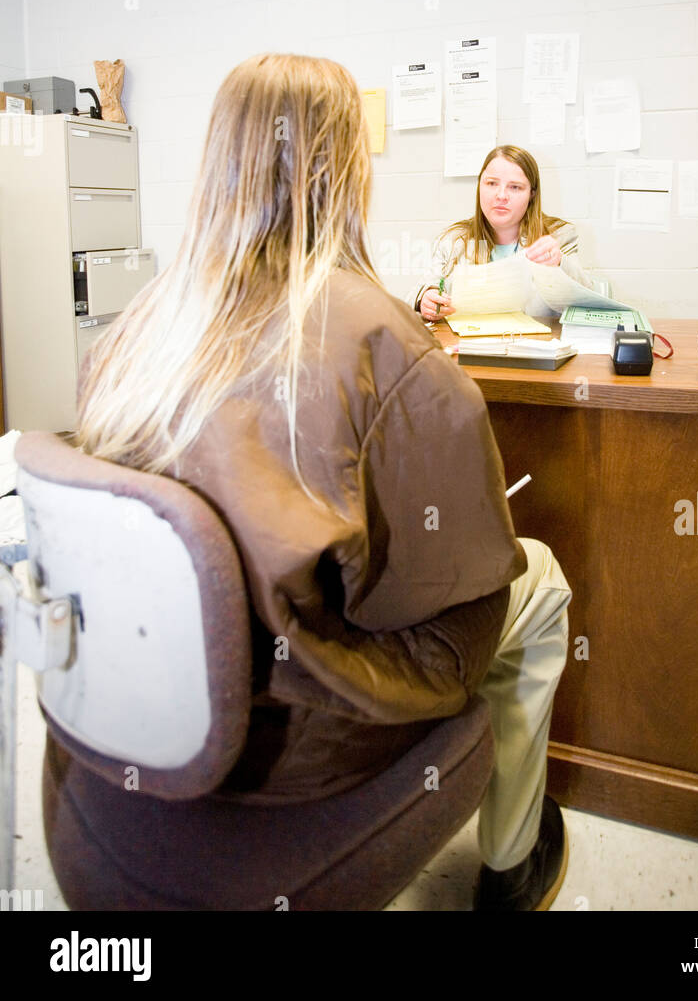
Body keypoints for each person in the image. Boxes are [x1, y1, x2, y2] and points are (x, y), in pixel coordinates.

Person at [74, 54, 572, 911]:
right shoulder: (385, 340)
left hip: (158, 711)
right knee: (542, 579)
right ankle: (511, 858)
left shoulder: (140, 325)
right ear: (349, 173)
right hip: (309, 733)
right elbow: (459, 577)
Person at [416, 145, 593, 322]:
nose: (501, 196)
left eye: (515, 187)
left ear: (532, 194)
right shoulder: (454, 240)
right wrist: (426, 298)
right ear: (480, 186)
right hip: (470, 346)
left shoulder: (559, 236)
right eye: (491, 183)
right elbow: (424, 288)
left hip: (536, 345)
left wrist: (559, 262)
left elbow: (588, 299)